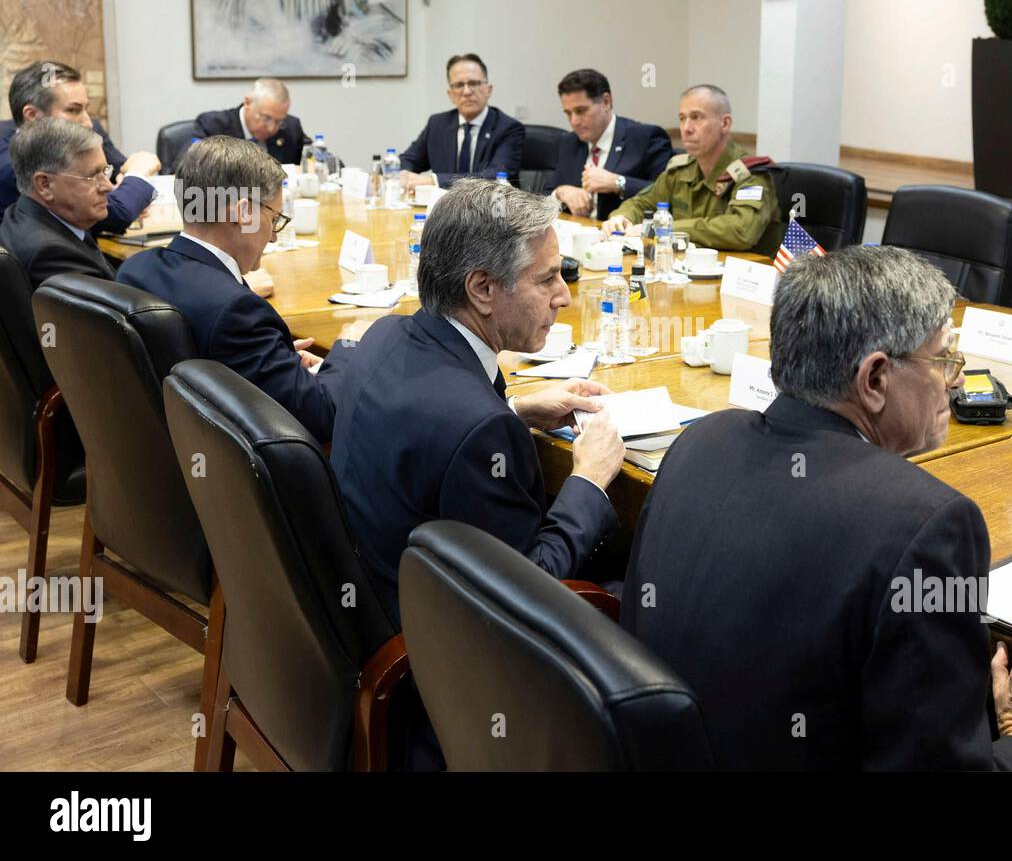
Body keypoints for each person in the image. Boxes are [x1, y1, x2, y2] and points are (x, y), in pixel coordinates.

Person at [622, 245, 1012, 770]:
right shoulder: (927, 524)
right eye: (942, 358)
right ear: (874, 380)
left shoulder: (702, 441)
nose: (957, 379)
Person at [330, 178, 625, 623]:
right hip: (439, 652)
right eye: (547, 279)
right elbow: (528, 588)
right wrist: (589, 479)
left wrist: (517, 410)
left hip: (368, 598)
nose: (564, 296)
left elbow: (438, 428)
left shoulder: (386, 333)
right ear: (482, 289)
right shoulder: (478, 429)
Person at [116, 137, 360, 444]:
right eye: (274, 219)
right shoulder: (236, 311)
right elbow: (323, 417)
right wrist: (349, 349)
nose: (273, 236)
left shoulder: (135, 269)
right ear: (243, 212)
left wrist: (275, 361)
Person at [603, 85, 783, 253]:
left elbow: (741, 230)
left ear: (725, 124)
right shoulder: (681, 169)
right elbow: (642, 203)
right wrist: (621, 218)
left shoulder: (750, 174)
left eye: (696, 117)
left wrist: (665, 228)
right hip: (690, 272)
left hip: (743, 278)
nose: (686, 128)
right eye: (682, 119)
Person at [0, 60, 158, 228]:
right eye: (73, 110)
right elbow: (116, 214)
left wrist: (131, 189)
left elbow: (120, 171)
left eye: (85, 109)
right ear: (32, 116)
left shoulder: (86, 130)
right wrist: (138, 177)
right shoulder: (13, 167)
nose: (88, 123)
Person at [0, 117, 119, 286]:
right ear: (45, 184)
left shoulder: (21, 212)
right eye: (92, 176)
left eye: (105, 171)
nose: (108, 186)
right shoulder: (51, 253)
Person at [546, 68, 672, 220]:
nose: (574, 121)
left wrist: (619, 183)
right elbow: (544, 193)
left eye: (581, 111)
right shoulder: (570, 142)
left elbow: (669, 195)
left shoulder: (645, 138)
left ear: (606, 102)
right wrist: (560, 191)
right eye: (568, 113)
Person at [398, 53, 524, 191]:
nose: (467, 91)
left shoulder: (509, 128)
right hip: (442, 209)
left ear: (489, 90)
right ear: (450, 94)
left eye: (474, 83)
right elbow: (408, 160)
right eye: (458, 85)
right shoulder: (437, 124)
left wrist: (434, 180)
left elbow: (495, 177)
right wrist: (403, 176)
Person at [194, 77, 311, 165]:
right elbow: (188, 168)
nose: (272, 128)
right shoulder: (212, 126)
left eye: (279, 121)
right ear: (247, 103)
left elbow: (311, 161)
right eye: (266, 118)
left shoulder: (291, 127)